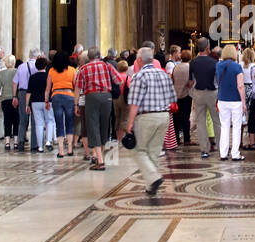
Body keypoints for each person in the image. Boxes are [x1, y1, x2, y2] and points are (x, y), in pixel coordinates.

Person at [125, 45, 173, 198]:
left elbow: (134, 103)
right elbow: (172, 96)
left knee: (139, 150)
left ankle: (154, 177)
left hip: (146, 116)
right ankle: (150, 186)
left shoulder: (139, 76)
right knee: (153, 151)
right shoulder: (163, 74)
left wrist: (130, 123)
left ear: (139, 60)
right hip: (164, 115)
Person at [74, 46, 121, 170]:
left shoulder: (83, 68)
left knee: (93, 125)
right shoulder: (107, 66)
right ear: (99, 56)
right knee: (104, 125)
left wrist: (76, 104)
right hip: (106, 97)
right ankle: (100, 156)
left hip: (91, 97)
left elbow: (78, 88)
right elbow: (118, 80)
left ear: (88, 57)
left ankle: (99, 160)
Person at [188, 36, 221, 159]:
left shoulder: (193, 62)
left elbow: (190, 81)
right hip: (212, 93)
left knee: (200, 121)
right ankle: (219, 147)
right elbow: (218, 79)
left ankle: (204, 149)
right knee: (217, 120)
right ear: (207, 48)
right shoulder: (214, 62)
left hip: (198, 93)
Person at [215, 43, 246, 161]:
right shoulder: (237, 67)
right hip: (235, 100)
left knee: (224, 126)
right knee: (237, 127)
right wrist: (243, 102)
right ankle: (235, 153)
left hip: (222, 99)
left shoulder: (218, 65)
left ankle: (223, 153)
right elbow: (240, 86)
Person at [45, 50, 75, 157]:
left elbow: (48, 88)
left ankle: (61, 151)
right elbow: (75, 86)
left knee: (59, 123)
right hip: (69, 95)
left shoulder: (52, 71)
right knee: (69, 123)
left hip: (56, 96)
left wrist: (46, 101)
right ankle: (70, 149)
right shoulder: (72, 70)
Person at [26, 56, 55, 152]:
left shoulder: (32, 77)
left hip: (35, 102)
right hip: (47, 101)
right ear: (46, 65)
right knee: (49, 121)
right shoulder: (49, 76)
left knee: (38, 124)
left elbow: (29, 92)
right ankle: (48, 141)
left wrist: (27, 105)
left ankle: (40, 147)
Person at [12, 50, 39, 151]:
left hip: (22, 93)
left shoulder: (21, 66)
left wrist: (14, 96)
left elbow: (15, 82)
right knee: (34, 119)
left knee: (23, 119)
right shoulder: (38, 66)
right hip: (34, 93)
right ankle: (34, 144)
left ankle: (20, 142)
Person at [0, 55, 17, 150]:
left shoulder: (1, 73)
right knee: (16, 120)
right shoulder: (17, 72)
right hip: (15, 99)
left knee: (7, 120)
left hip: (4, 99)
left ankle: (7, 142)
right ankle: (15, 142)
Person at [171, 50, 192, 145]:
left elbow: (172, 79)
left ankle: (176, 139)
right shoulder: (189, 67)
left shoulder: (176, 67)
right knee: (186, 118)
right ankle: (186, 139)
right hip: (186, 94)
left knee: (176, 118)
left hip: (176, 94)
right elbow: (191, 81)